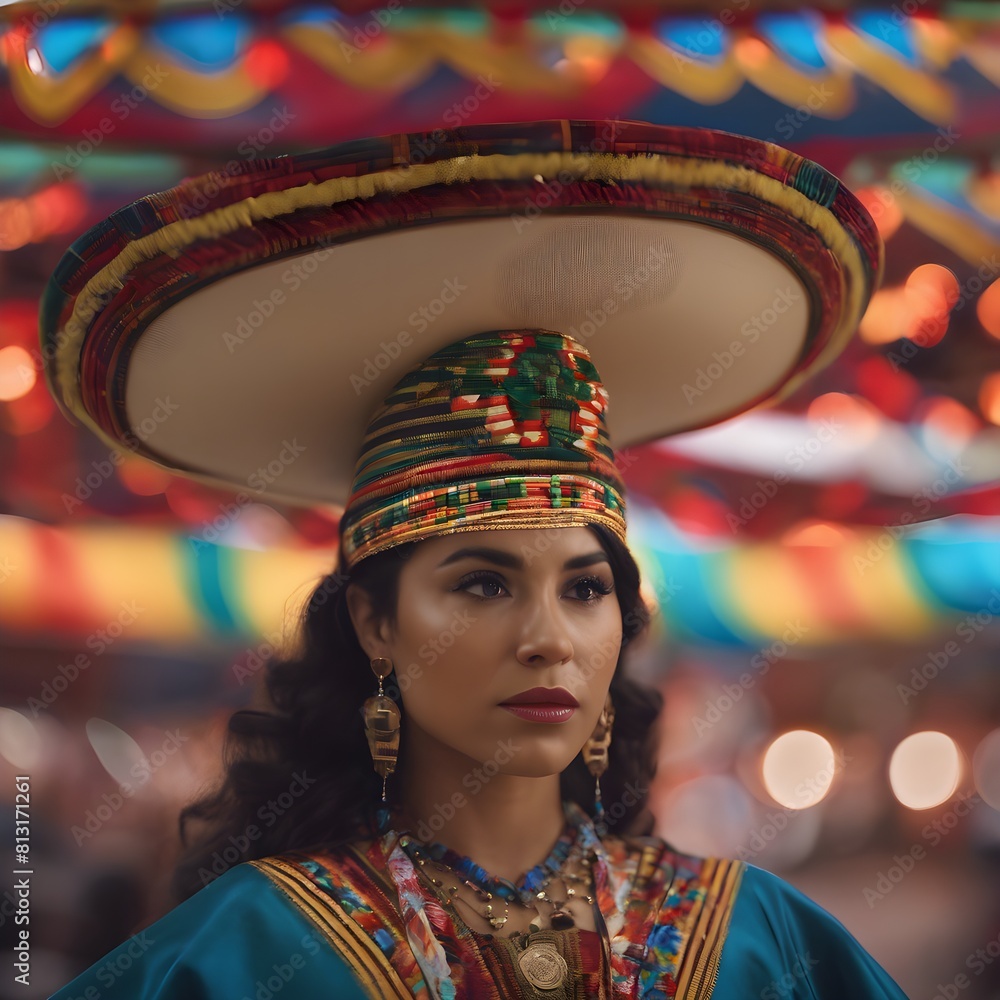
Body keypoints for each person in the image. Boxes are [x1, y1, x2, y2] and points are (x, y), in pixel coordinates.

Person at [43, 120, 905, 998]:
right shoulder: (250, 948)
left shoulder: (758, 941)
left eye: (585, 588)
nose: (547, 639)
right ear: (375, 622)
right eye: (484, 583)